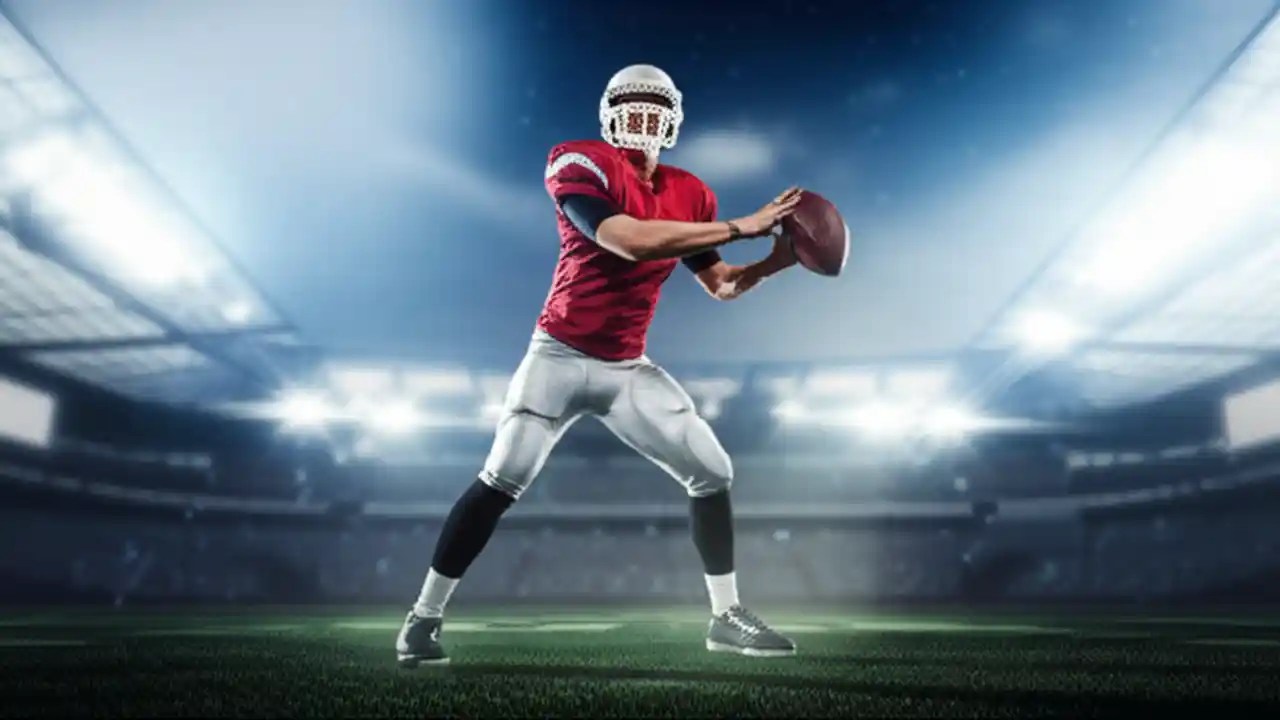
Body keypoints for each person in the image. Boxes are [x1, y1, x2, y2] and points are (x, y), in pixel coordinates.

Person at [397, 63, 803, 666]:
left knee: (713, 471)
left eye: (654, 110)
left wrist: (780, 259)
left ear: (673, 122)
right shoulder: (577, 161)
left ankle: (725, 616)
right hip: (558, 357)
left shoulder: (692, 191)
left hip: (625, 369)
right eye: (631, 109)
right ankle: (422, 619)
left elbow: (720, 284)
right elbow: (626, 239)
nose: (642, 121)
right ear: (609, 117)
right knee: (502, 477)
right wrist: (740, 226)